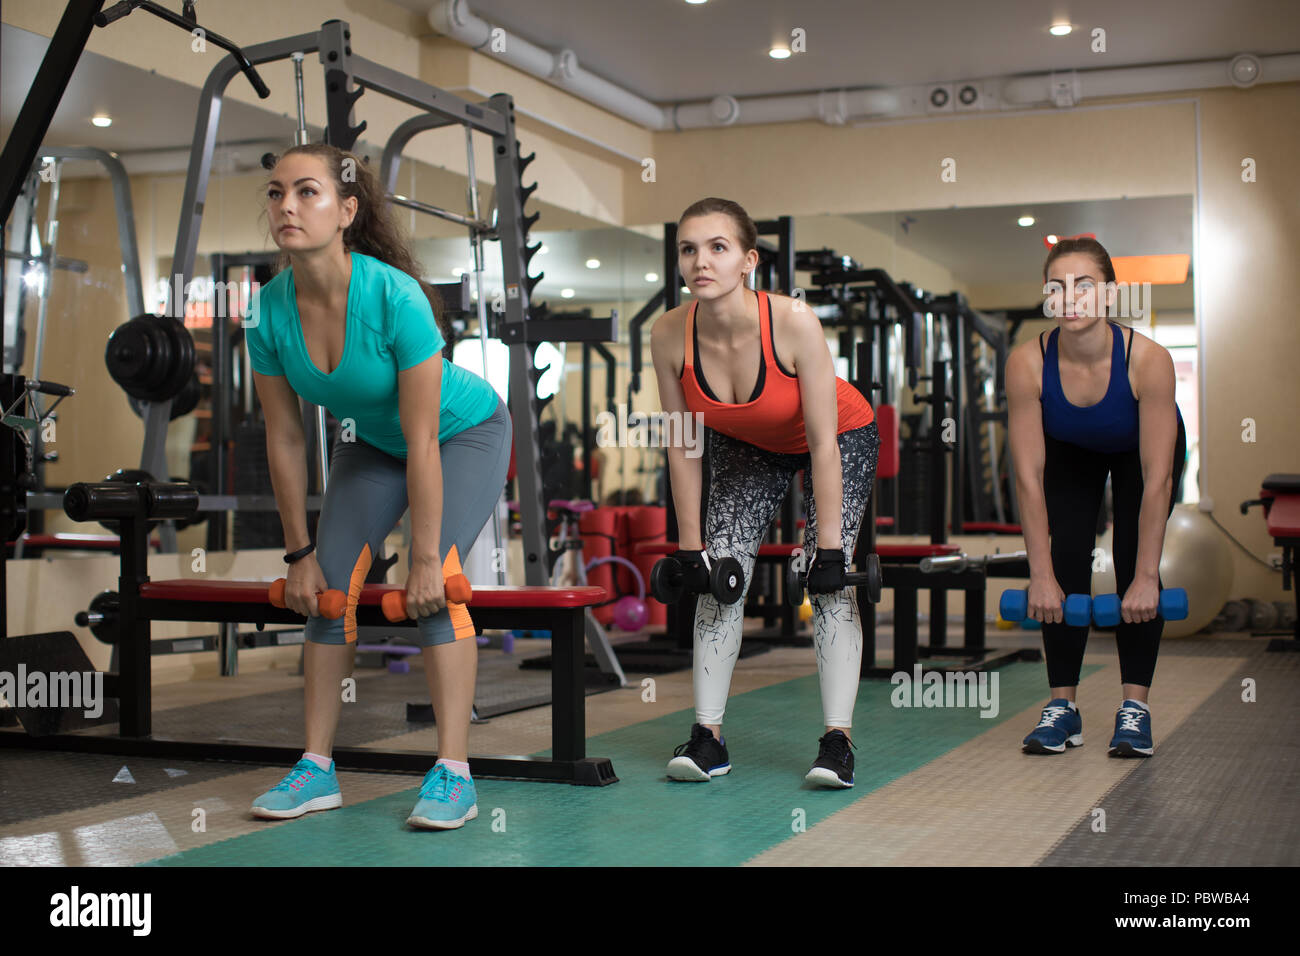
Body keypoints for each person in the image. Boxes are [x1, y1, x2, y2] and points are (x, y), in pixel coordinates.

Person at [244, 143, 509, 828]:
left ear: (347, 209)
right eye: (276, 194)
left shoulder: (394, 297)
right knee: (328, 591)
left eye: (307, 192)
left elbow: (424, 438)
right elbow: (285, 436)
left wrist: (421, 558)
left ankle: (454, 775)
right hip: (371, 442)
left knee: (438, 583)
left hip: (462, 432)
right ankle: (316, 768)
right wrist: (298, 554)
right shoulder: (266, 311)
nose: (286, 207)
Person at [650, 198, 879, 788]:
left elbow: (824, 445)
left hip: (837, 436)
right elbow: (681, 444)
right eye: (689, 248)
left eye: (717, 247)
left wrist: (829, 550)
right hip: (747, 446)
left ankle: (837, 742)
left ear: (748, 261)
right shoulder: (669, 333)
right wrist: (689, 548)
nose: (701, 260)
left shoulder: (793, 321)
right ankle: (708, 739)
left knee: (826, 577)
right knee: (719, 573)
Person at [1005, 236, 1186, 758]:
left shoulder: (1148, 360)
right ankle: (1063, 707)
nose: (1072, 297)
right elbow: (1028, 477)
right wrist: (1039, 575)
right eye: (1058, 287)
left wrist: (1148, 578)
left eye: (1085, 285)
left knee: (1133, 564)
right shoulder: (1027, 363)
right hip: (1070, 449)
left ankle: (1135, 709)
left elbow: (1157, 480)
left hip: (1141, 454)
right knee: (1063, 563)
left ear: (1108, 294)